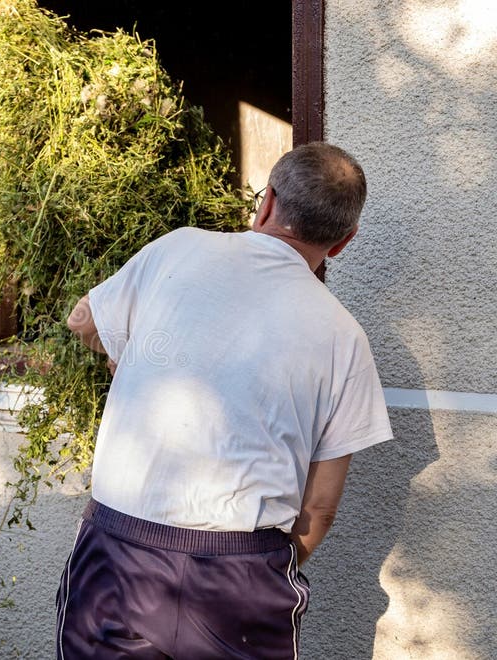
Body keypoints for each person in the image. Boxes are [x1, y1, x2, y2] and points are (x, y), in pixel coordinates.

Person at [56, 142, 393, 659]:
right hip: (243, 576)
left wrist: (121, 354)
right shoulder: (345, 337)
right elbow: (320, 508)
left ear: (266, 202)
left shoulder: (178, 248)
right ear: (344, 242)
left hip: (119, 553)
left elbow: (83, 320)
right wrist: (252, 570)